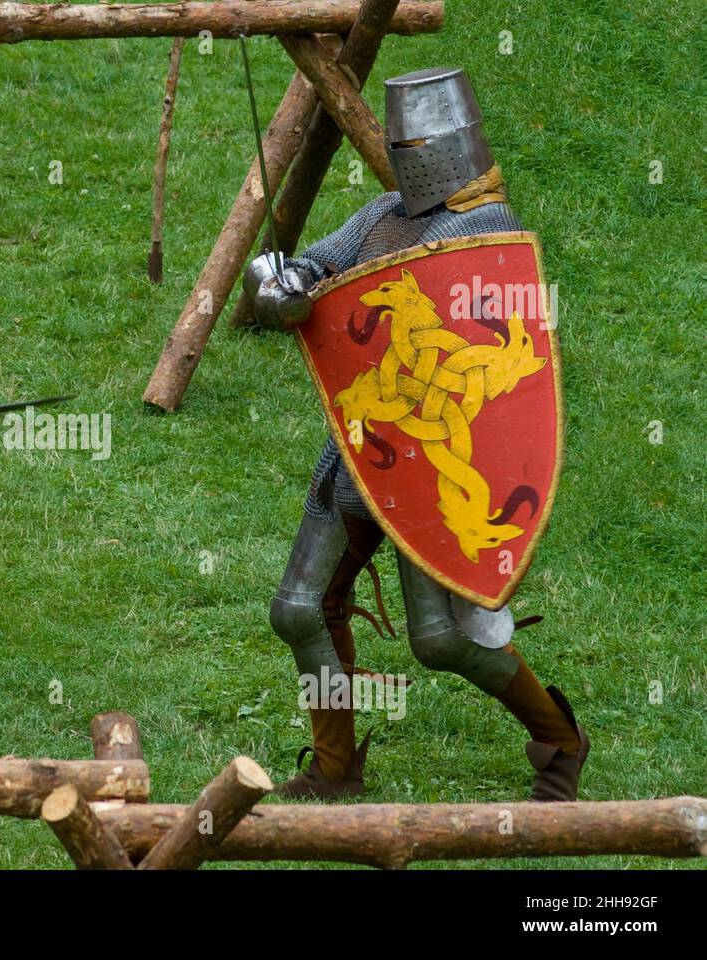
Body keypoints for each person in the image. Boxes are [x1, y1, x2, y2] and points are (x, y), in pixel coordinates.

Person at [245, 68, 588, 802]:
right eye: (402, 144)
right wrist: (277, 282)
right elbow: (311, 272)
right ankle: (335, 769)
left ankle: (560, 739)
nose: (411, 157)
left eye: (421, 143)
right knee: (299, 610)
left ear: (455, 143)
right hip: (362, 448)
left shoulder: (483, 232)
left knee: (443, 641)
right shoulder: (383, 215)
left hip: (432, 459)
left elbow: (492, 368)